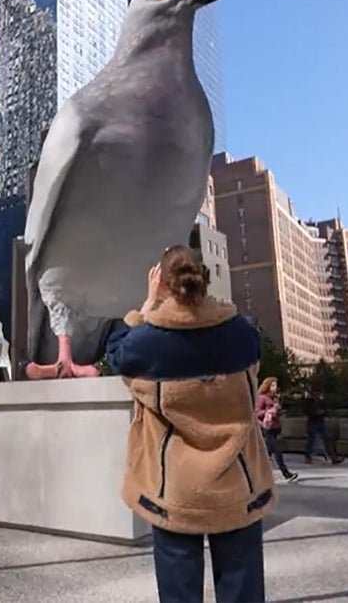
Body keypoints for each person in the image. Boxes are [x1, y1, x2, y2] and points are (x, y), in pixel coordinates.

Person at [106, 245, 273, 603]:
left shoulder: (149, 342)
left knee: (179, 593)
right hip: (238, 485)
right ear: (205, 280)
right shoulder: (241, 333)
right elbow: (254, 353)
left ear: (163, 283)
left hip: (174, 491)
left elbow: (117, 353)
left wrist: (148, 306)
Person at [256, 378, 299, 483]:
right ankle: (286, 474)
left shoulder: (274, 398)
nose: (275, 388)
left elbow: (275, 413)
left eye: (275, 385)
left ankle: (256, 475)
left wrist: (278, 411)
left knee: (267, 453)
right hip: (267, 428)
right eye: (273, 385)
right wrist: (269, 410)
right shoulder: (262, 398)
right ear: (267, 387)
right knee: (277, 450)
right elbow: (256, 413)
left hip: (274, 427)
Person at [304, 391, 344, 465]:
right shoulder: (309, 402)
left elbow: (326, 410)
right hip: (312, 422)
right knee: (311, 440)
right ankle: (308, 456)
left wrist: (323, 412)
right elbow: (308, 411)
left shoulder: (321, 401)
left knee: (326, 439)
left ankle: (333, 457)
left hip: (320, 421)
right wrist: (317, 412)